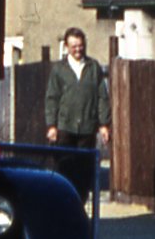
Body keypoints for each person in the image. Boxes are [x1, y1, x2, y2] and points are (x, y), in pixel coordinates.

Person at [43, 27, 110, 197]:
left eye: (80, 45)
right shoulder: (59, 70)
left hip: (87, 128)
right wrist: (51, 125)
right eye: (74, 46)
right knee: (65, 170)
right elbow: (52, 98)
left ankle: (80, 206)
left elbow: (102, 96)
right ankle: (63, 205)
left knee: (84, 172)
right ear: (66, 47)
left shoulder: (93, 67)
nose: (78, 49)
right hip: (65, 128)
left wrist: (104, 124)